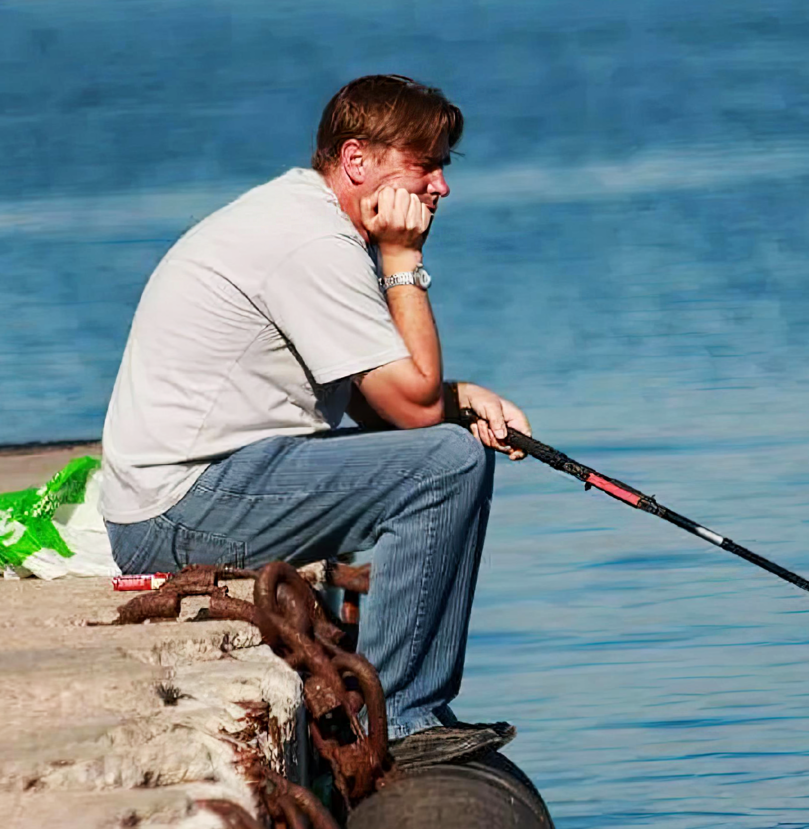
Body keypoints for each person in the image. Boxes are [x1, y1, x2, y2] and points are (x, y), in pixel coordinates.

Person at [99, 74, 530, 768]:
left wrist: (459, 397)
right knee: (448, 462)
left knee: (445, 450)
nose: (440, 188)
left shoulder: (306, 219)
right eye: (427, 166)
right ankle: (403, 717)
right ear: (358, 161)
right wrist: (403, 259)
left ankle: (415, 704)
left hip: (198, 488)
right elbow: (412, 411)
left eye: (444, 167)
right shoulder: (313, 242)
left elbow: (380, 397)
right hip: (177, 508)